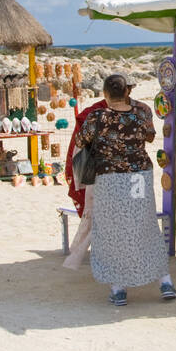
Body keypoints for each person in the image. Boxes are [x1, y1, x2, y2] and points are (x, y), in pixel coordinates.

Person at [75, 73, 175, 306]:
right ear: (127, 91)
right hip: (138, 177)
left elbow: (81, 141)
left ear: (106, 94)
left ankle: (118, 289)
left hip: (110, 179)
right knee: (145, 225)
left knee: (111, 231)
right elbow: (150, 137)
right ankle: (165, 281)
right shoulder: (142, 112)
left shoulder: (97, 116)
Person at [63, 94, 107, 271]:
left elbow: (79, 143)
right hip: (102, 173)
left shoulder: (93, 113)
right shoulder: (95, 113)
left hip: (99, 173)